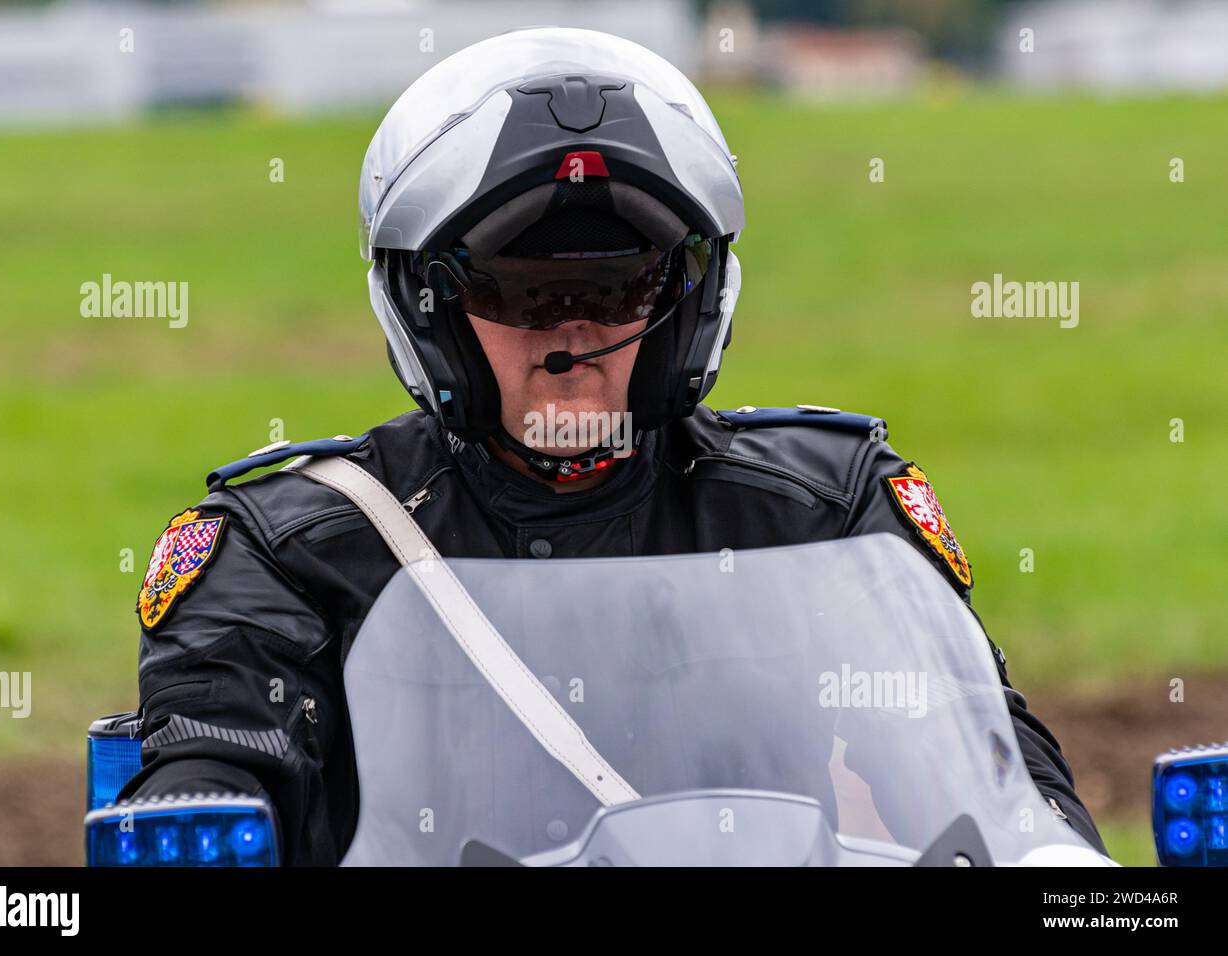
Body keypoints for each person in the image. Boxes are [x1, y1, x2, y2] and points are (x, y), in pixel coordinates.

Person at [123, 27, 1105, 863]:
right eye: (517, 291)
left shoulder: (824, 510)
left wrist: (1048, 849)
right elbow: (214, 771)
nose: (571, 341)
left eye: (619, 290)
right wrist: (190, 810)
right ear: (428, 308)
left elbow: (986, 768)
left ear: (688, 305)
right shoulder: (287, 546)